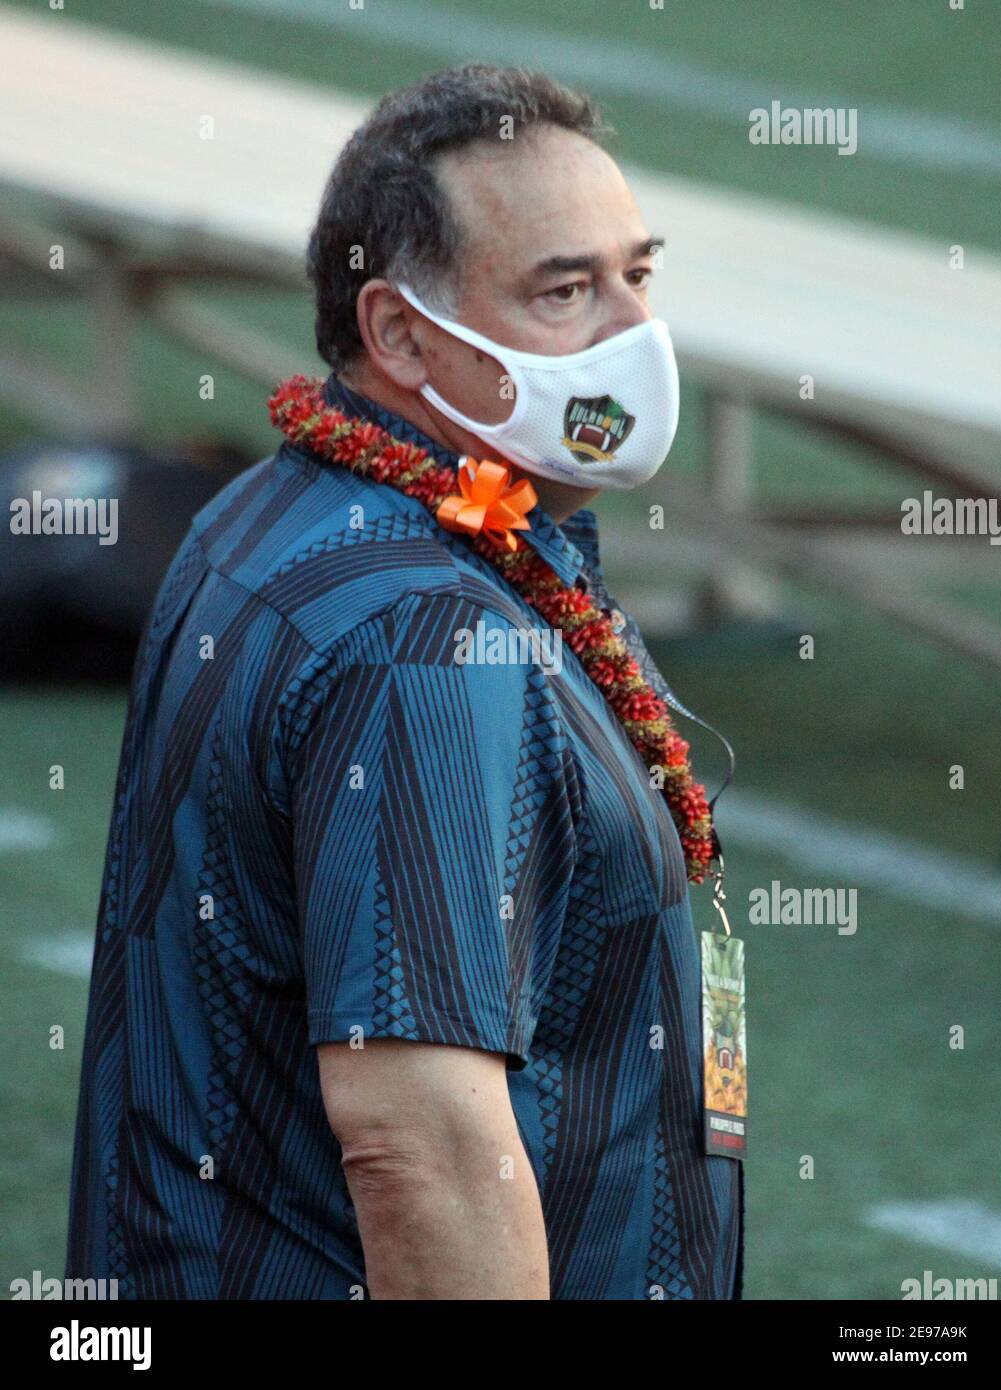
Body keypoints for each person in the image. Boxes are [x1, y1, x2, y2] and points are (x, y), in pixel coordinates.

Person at [66, 64, 743, 1301]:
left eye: (636, 274)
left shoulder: (267, 511)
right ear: (399, 333)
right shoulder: (425, 640)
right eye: (564, 289)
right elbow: (420, 1144)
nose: (632, 339)